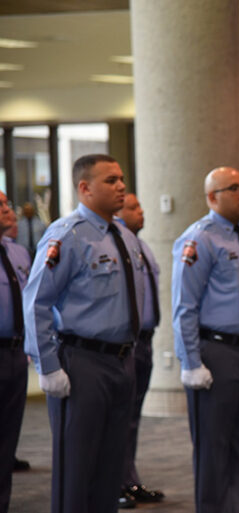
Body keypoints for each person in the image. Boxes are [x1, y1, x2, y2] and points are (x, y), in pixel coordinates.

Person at [23, 154, 145, 513]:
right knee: (76, 466)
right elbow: (36, 303)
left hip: (122, 361)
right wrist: (48, 367)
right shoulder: (67, 234)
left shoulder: (124, 235)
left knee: (111, 466)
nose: (121, 186)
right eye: (110, 180)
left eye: (121, 178)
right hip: (82, 362)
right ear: (84, 188)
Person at [172, 166, 239, 513]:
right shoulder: (200, 238)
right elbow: (184, 306)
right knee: (214, 448)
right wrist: (191, 363)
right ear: (212, 197)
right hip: (218, 354)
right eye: (234, 188)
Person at [115, 193, 165, 507]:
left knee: (132, 418)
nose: (141, 211)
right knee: (120, 418)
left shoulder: (140, 246)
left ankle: (128, 479)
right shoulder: (116, 245)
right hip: (124, 344)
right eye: (133, 207)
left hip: (144, 341)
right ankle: (116, 483)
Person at [0, 190, 31, 513]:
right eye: (0, 205)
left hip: (15, 354)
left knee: (8, 442)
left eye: (7, 204)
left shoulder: (19, 253)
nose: (8, 210)